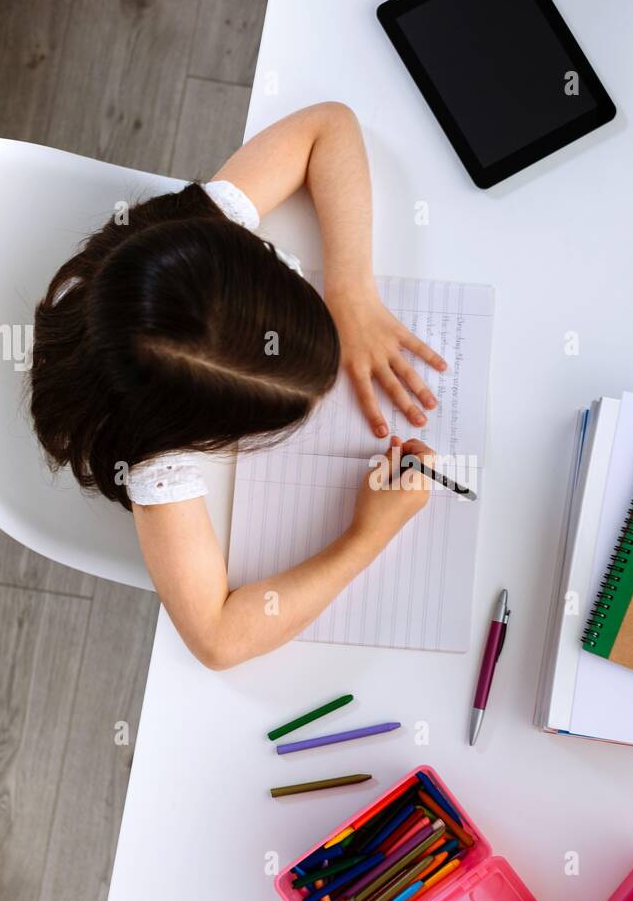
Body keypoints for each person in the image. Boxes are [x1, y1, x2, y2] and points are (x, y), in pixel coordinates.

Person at [30, 103, 444, 668]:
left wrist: (351, 293)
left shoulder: (205, 238)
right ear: (199, 433)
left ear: (247, 256)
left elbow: (331, 126)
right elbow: (218, 640)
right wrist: (364, 538)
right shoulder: (148, 455)